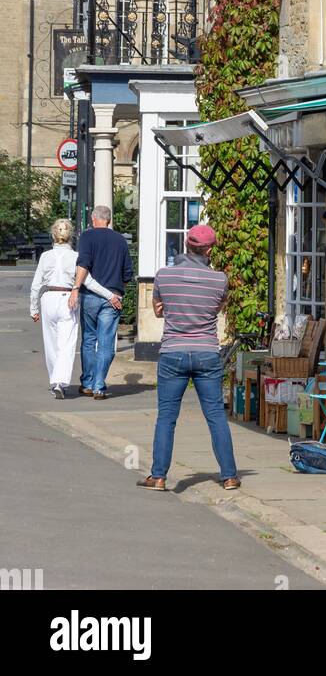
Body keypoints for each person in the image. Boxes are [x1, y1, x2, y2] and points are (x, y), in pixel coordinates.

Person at [138, 223, 239, 492]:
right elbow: (217, 308)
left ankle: (158, 476)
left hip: (173, 352)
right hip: (206, 352)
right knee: (216, 414)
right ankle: (229, 475)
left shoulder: (163, 276)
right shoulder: (220, 279)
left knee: (167, 418)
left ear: (186, 245)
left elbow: (159, 311)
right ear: (209, 250)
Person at [29, 219, 120, 398]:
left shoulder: (45, 257)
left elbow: (36, 284)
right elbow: (89, 282)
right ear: (71, 236)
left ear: (54, 235)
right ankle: (60, 381)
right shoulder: (76, 257)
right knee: (66, 343)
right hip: (67, 299)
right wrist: (110, 295)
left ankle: (55, 380)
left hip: (48, 298)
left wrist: (33, 308)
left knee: (51, 343)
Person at [69, 205, 133, 399]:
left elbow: (83, 264)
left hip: (90, 296)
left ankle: (87, 383)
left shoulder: (87, 237)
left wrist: (75, 288)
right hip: (113, 298)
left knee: (89, 339)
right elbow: (128, 272)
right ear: (109, 220)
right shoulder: (120, 240)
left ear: (94, 219)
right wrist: (116, 291)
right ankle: (99, 385)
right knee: (106, 343)